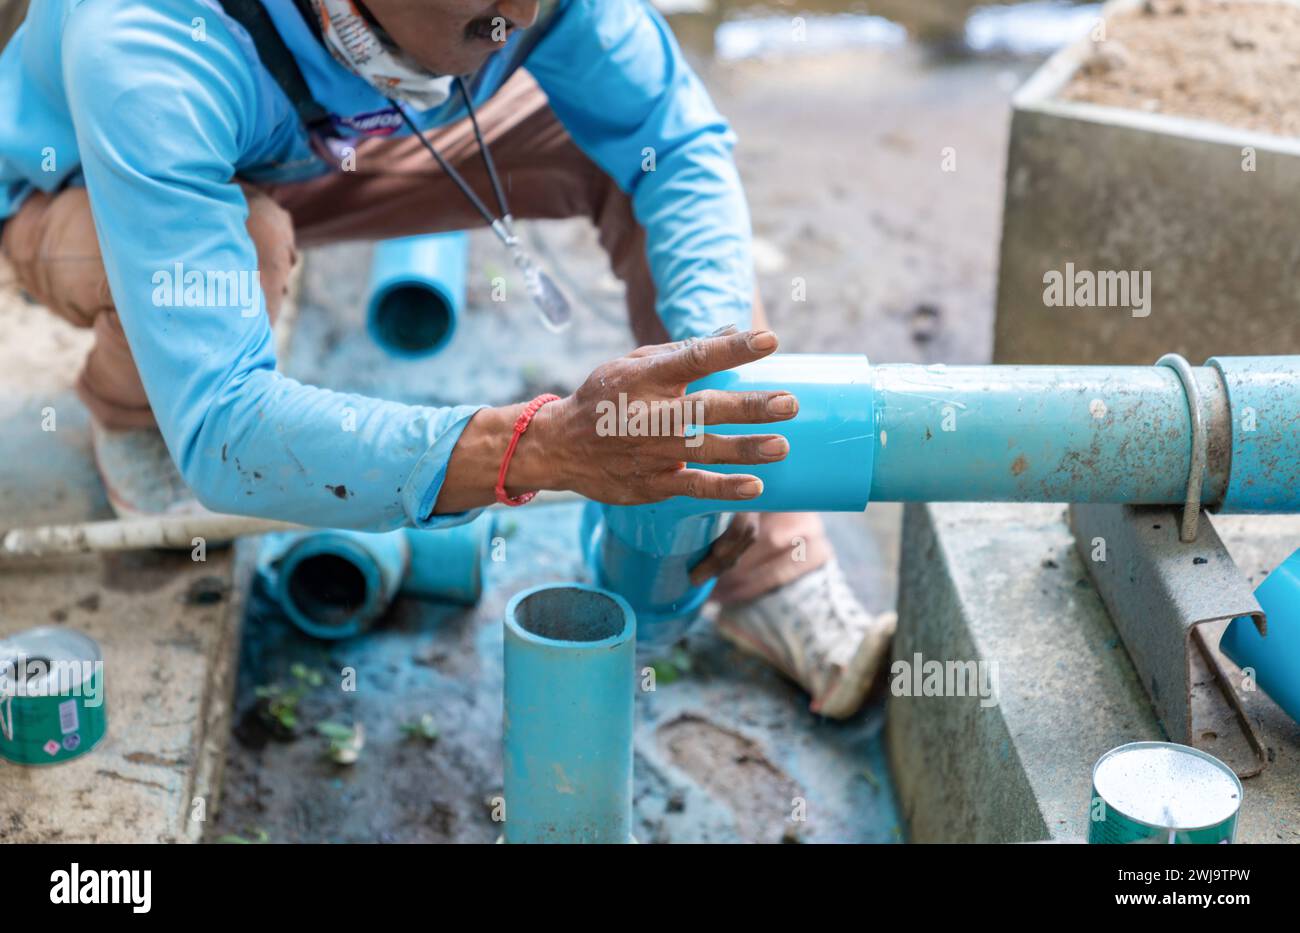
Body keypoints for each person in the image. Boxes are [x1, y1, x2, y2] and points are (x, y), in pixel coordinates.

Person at [0, 0, 894, 717]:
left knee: (627, 151)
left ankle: (768, 562)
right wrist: (541, 447)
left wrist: (708, 385)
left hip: (328, 145)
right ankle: (127, 410)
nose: (524, 11)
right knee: (247, 241)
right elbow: (230, 430)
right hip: (92, 193)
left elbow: (674, 137)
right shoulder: (146, 38)